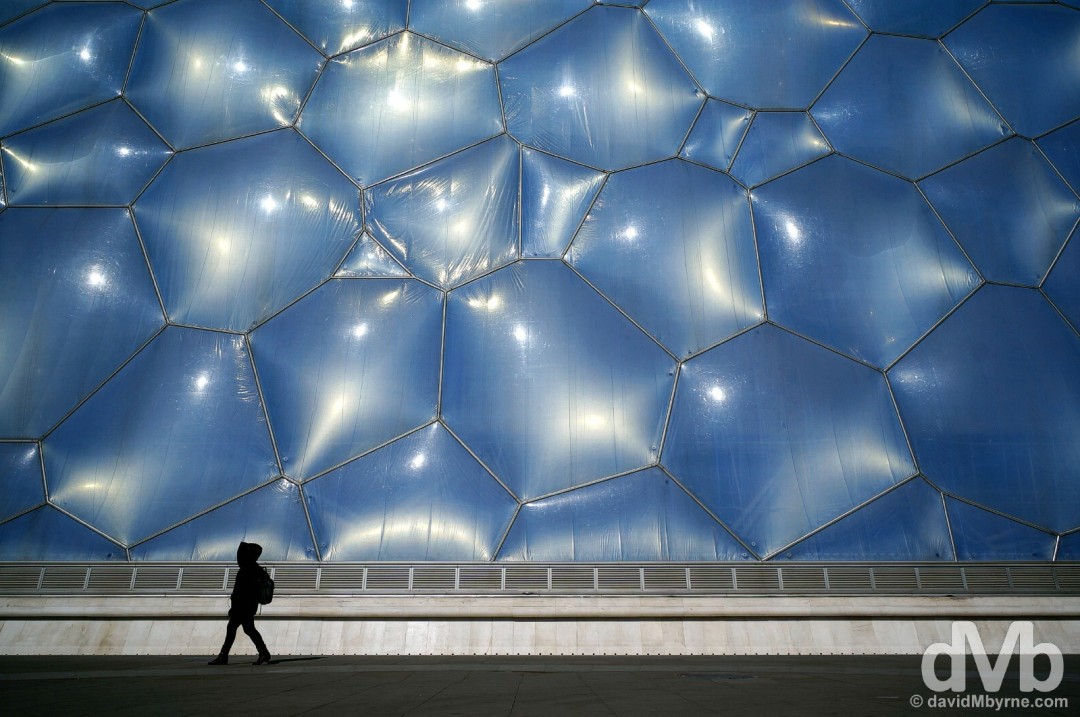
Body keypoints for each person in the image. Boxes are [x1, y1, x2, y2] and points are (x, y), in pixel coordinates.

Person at [208, 541, 272, 665]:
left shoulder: (246, 570)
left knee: (234, 627)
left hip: (242, 607)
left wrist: (235, 608)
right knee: (247, 629)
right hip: (249, 606)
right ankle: (263, 652)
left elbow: (241, 592)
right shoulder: (257, 570)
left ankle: (224, 656)